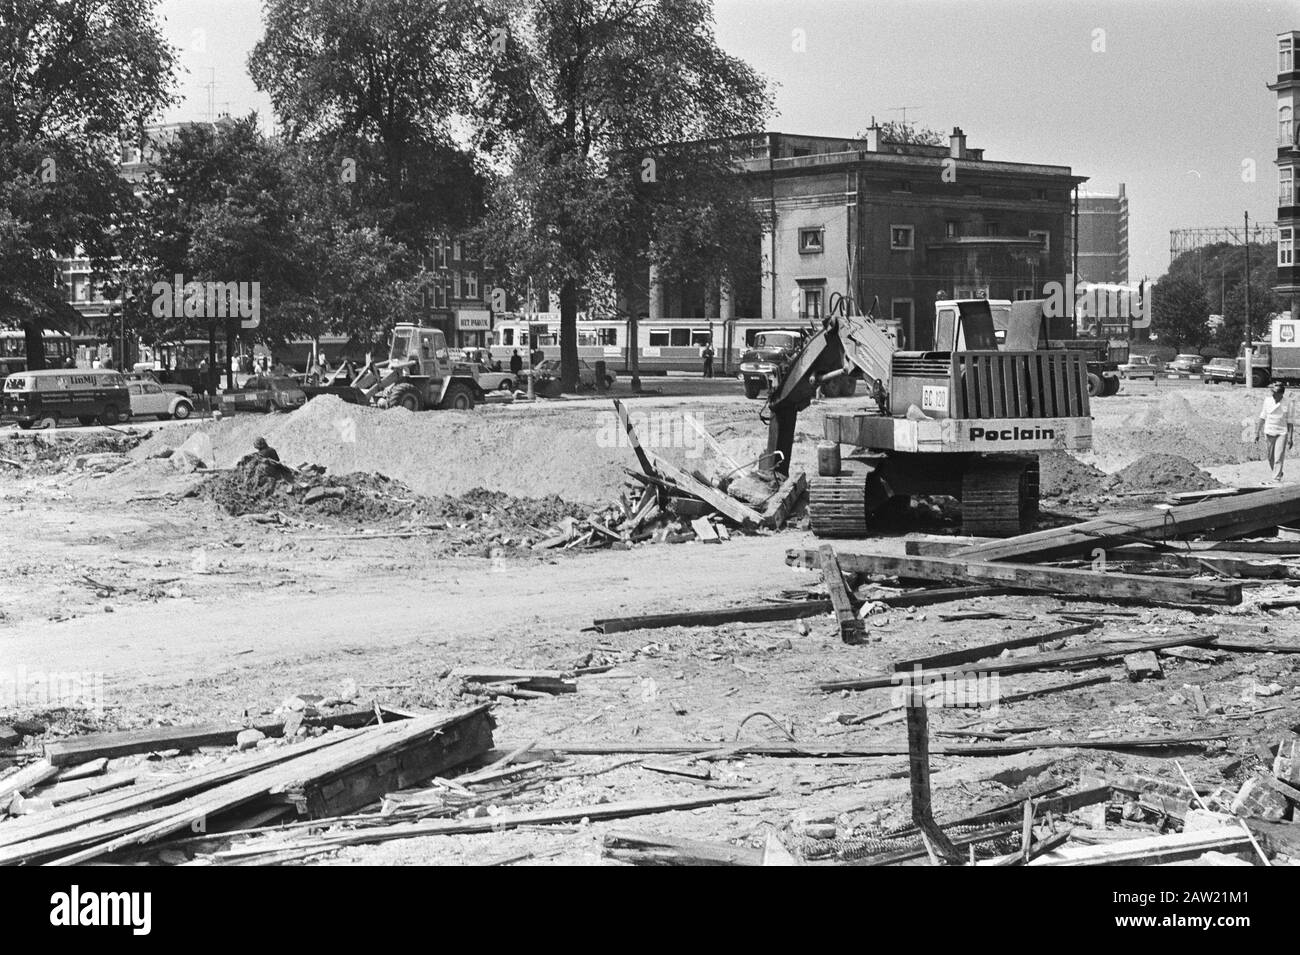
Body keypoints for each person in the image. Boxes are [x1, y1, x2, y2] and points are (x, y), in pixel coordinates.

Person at [1255, 381, 1295, 483]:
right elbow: (1262, 417)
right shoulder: (1267, 401)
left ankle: (1276, 478)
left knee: (1279, 456)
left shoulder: (1288, 403)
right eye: (1272, 392)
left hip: (1282, 432)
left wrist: (1290, 437)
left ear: (1281, 393)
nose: (1272, 394)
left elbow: (1290, 422)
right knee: (1270, 457)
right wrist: (1257, 432)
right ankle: (1278, 472)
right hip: (1269, 431)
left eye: (1275, 392)